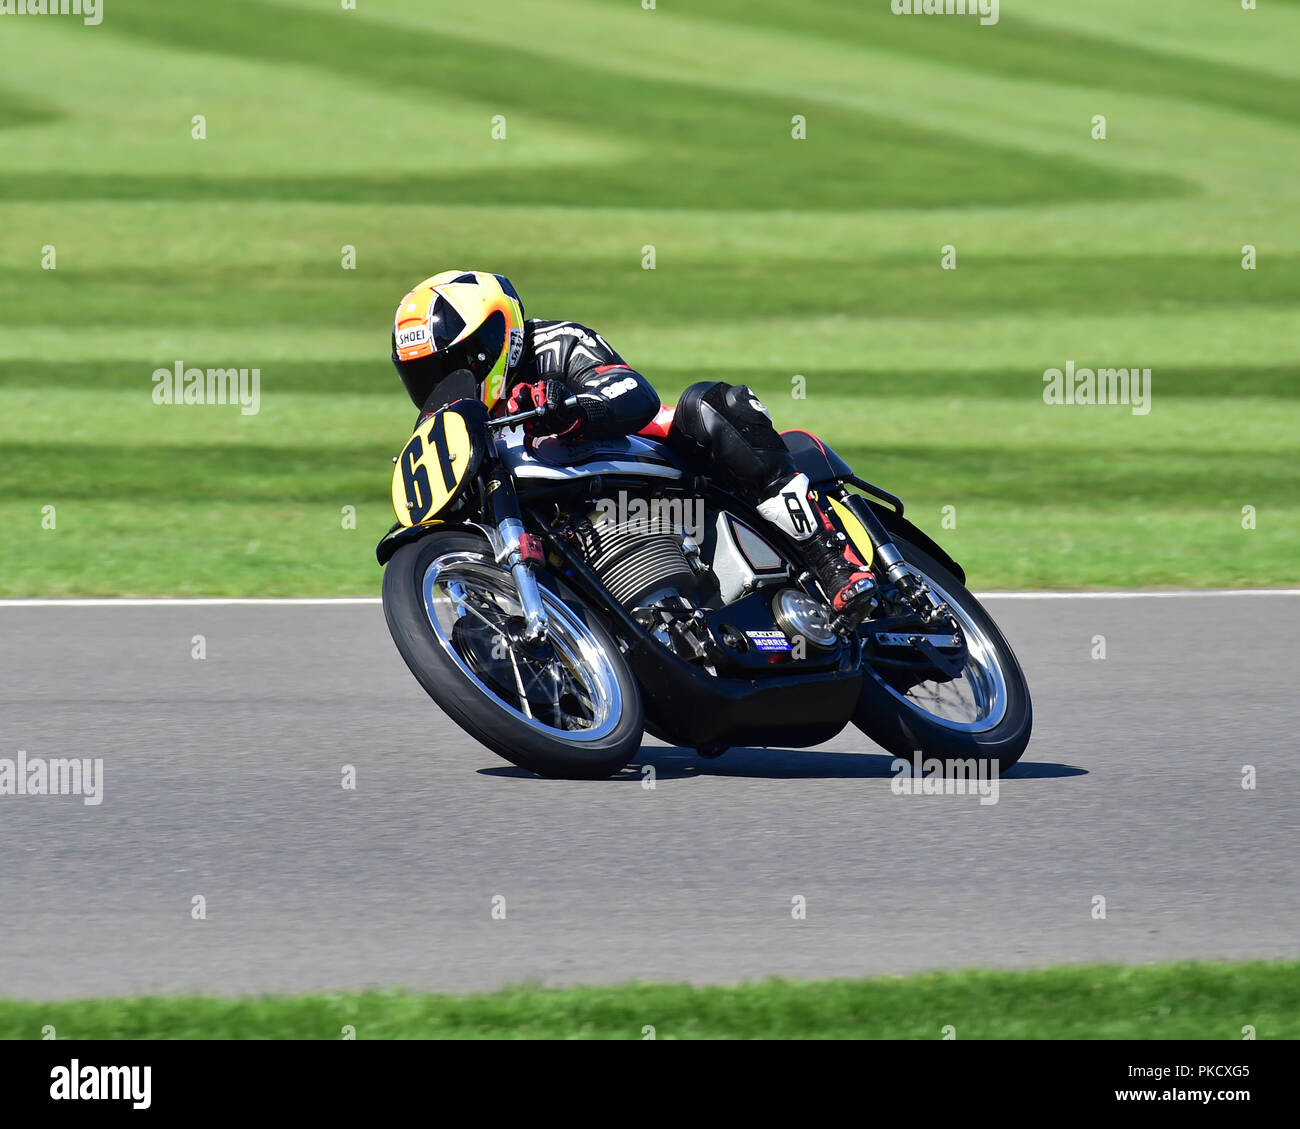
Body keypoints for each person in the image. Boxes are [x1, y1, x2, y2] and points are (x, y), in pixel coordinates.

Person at [391, 269, 876, 623]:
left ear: (501, 338)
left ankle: (829, 560)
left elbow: (634, 394)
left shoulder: (554, 344)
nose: (444, 383)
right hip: (570, 523)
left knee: (711, 404)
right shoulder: (450, 425)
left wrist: (570, 407)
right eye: (425, 375)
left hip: (662, 473)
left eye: (455, 363)